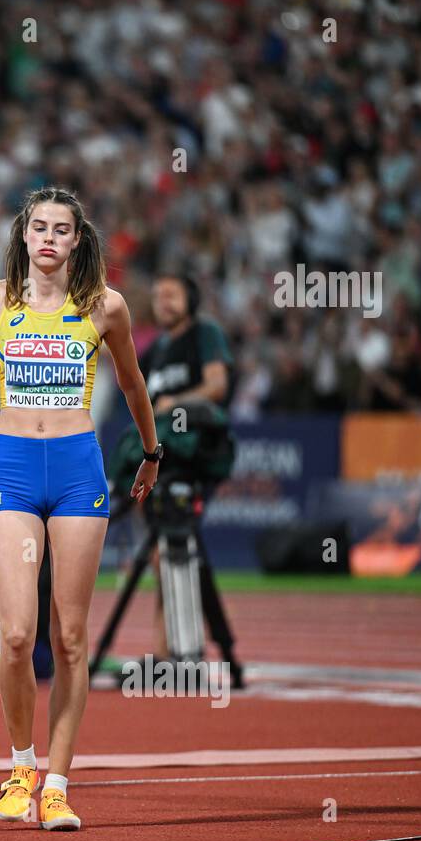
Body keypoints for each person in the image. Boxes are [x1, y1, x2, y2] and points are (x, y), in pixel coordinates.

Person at [0, 187, 160, 831]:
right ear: (22, 235)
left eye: (60, 230)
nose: (48, 238)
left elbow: (130, 382)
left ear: (77, 240)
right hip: (12, 468)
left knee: (69, 638)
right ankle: (20, 768)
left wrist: (153, 452)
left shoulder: (106, 308)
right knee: (17, 635)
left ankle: (60, 785)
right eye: (38, 227)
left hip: (77, 472)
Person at [139, 274, 233, 661]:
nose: (164, 302)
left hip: (196, 452)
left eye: (172, 294)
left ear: (190, 298)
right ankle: (167, 650)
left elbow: (217, 386)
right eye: (158, 296)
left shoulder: (204, 332)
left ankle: (185, 649)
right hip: (162, 457)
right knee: (162, 553)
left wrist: (174, 402)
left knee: (180, 546)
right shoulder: (155, 350)